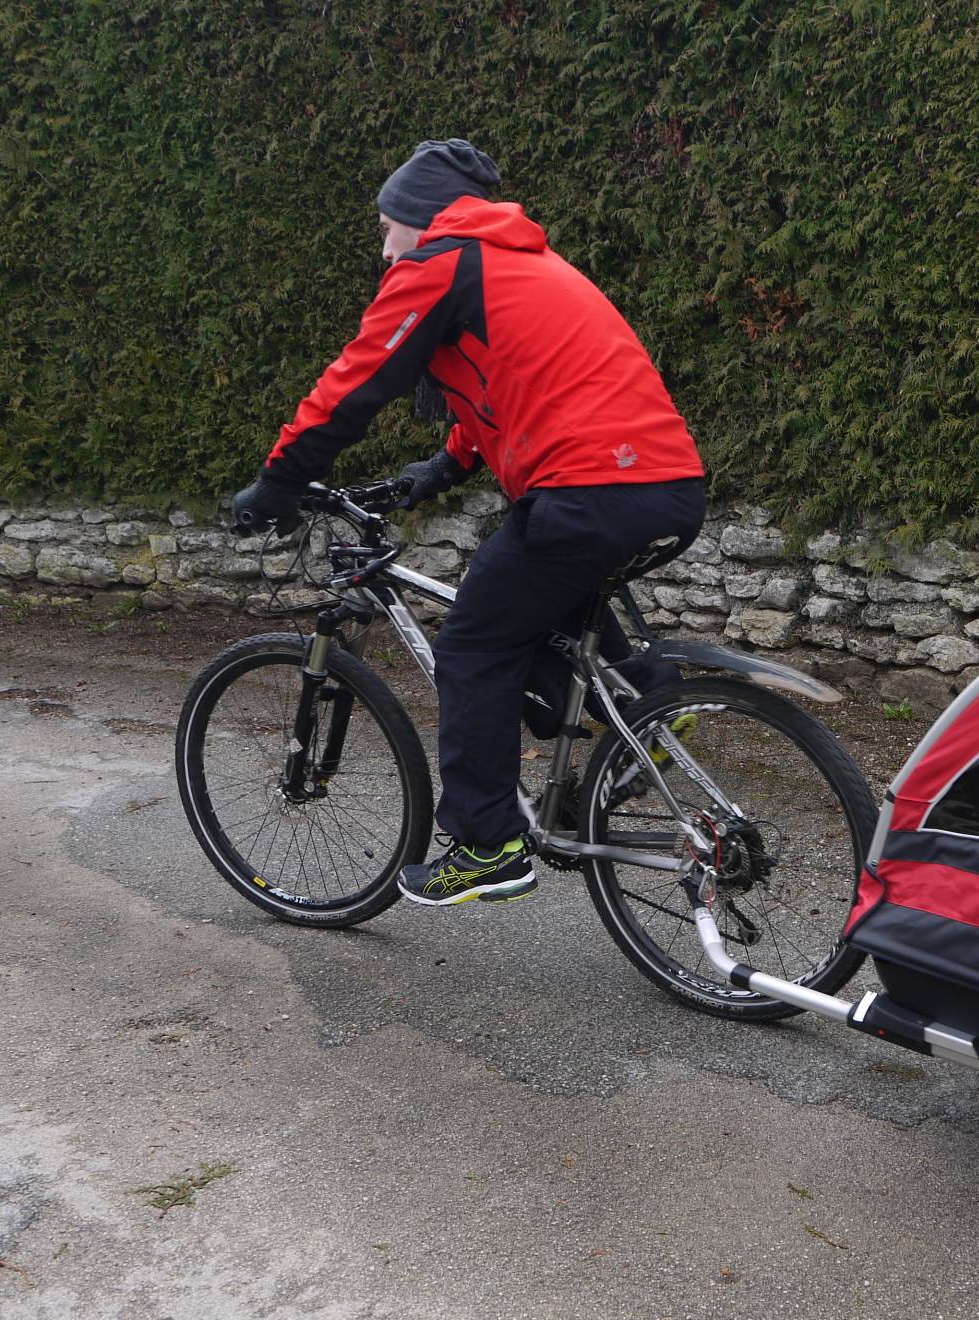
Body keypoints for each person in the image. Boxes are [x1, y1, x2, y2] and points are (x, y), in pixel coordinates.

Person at [229, 139, 706, 907]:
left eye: (387, 227)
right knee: (546, 602)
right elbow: (518, 384)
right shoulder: (523, 263)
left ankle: (489, 845)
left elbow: (355, 382)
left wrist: (279, 481)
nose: (383, 245)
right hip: (666, 482)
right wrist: (445, 467)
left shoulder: (443, 262)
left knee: (475, 644)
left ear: (421, 218)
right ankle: (652, 703)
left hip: (587, 488)